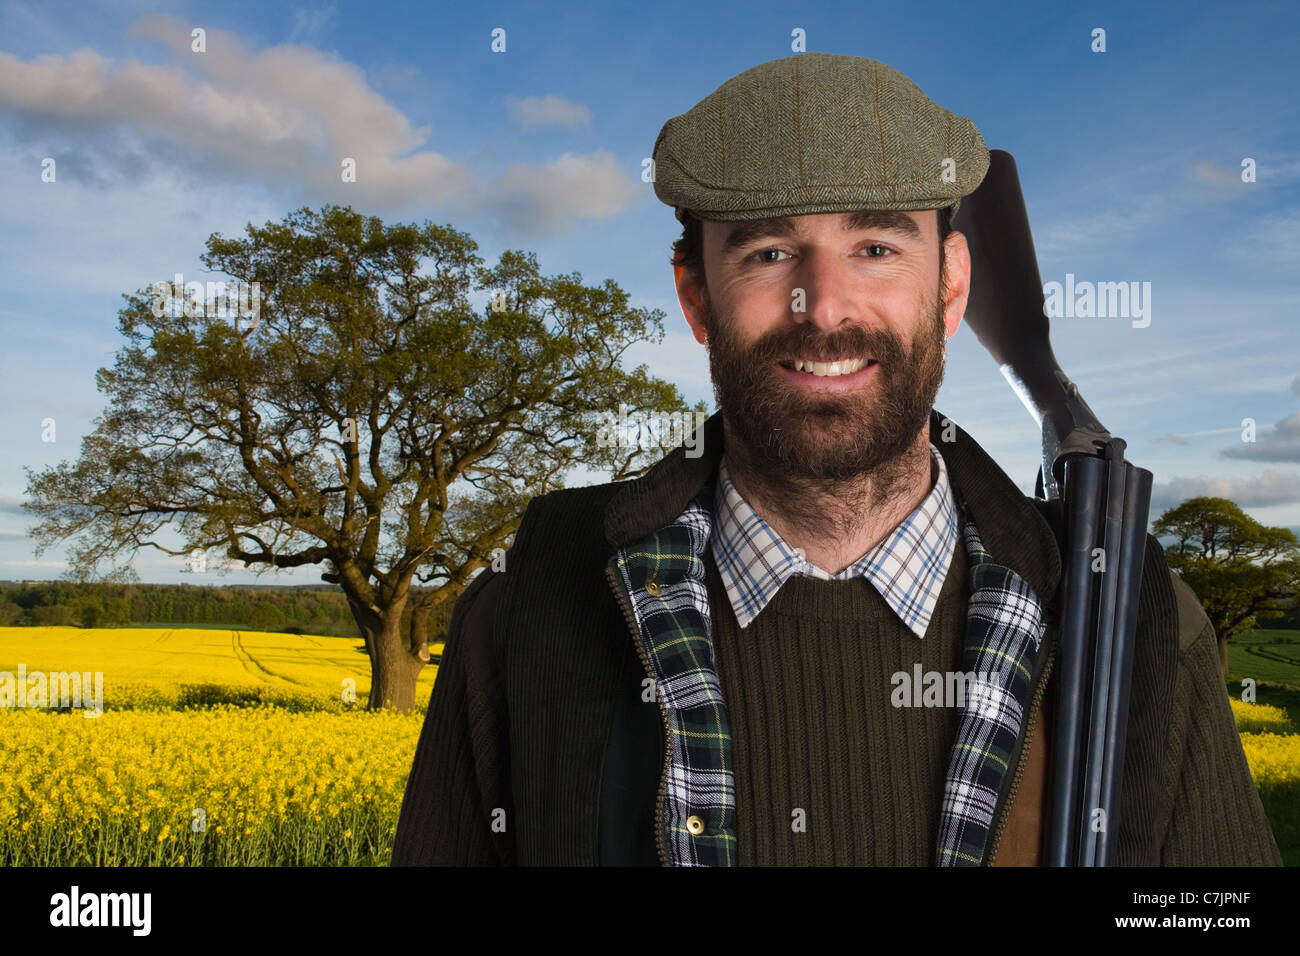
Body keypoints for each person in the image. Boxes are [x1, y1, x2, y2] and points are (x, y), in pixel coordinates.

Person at [391, 52, 1282, 866]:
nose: (824, 308)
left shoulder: (1134, 622)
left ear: (954, 285)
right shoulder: (525, 614)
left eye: (877, 248)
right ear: (695, 296)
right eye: (771, 252)